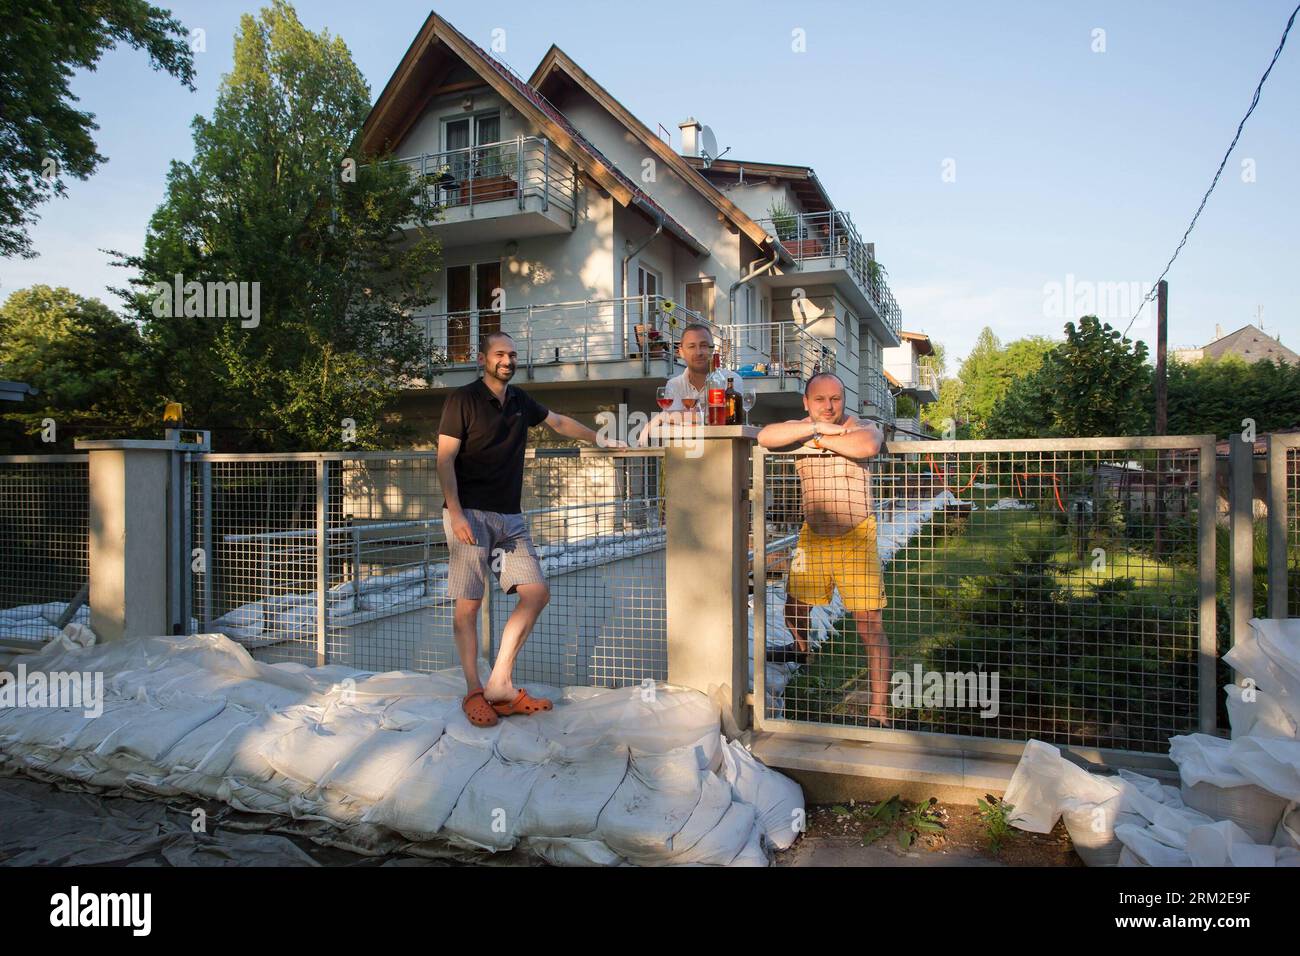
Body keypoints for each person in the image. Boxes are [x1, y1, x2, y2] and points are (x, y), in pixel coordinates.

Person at [436, 330, 622, 726]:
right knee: (468, 605)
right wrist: (455, 513)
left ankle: (500, 684)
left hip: (509, 518)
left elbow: (557, 422)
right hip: (469, 513)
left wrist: (599, 439)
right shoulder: (462, 399)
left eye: (513, 355)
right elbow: (444, 459)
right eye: (500, 354)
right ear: (483, 358)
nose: (507, 360)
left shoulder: (520, 400)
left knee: (535, 594)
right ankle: (473, 689)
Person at [755, 372, 891, 725]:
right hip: (813, 537)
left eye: (835, 398)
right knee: (792, 608)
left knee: (869, 624)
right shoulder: (799, 426)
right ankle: (801, 651)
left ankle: (879, 708)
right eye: (820, 400)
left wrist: (820, 439)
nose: (829, 407)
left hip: (856, 536)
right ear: (807, 402)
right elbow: (766, 436)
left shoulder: (863, 425)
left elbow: (868, 446)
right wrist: (816, 430)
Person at [638, 322, 742, 443]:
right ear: (681, 352)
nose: (699, 352)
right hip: (685, 453)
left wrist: (663, 417)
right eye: (692, 346)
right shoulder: (674, 384)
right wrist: (673, 417)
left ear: (712, 350)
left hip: (723, 451)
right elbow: (672, 422)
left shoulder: (731, 379)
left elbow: (726, 418)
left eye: (703, 345)